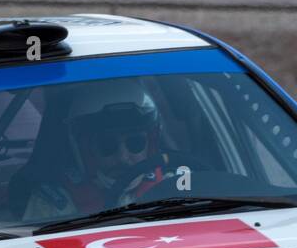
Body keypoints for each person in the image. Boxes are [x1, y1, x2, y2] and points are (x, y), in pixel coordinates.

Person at [19, 80, 183, 221]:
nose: (123, 157)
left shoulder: (175, 186)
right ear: (84, 150)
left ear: (151, 145)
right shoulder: (53, 204)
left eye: (135, 143)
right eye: (107, 145)